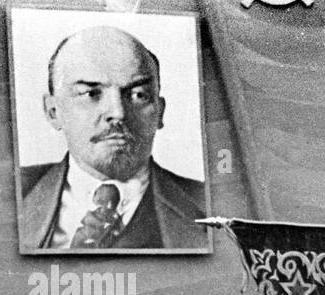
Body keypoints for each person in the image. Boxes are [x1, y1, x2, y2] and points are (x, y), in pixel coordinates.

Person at [19, 25, 207, 251]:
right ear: (53, 112)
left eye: (138, 95)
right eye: (91, 94)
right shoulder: (16, 192)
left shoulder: (206, 205)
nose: (118, 112)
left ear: (160, 111)